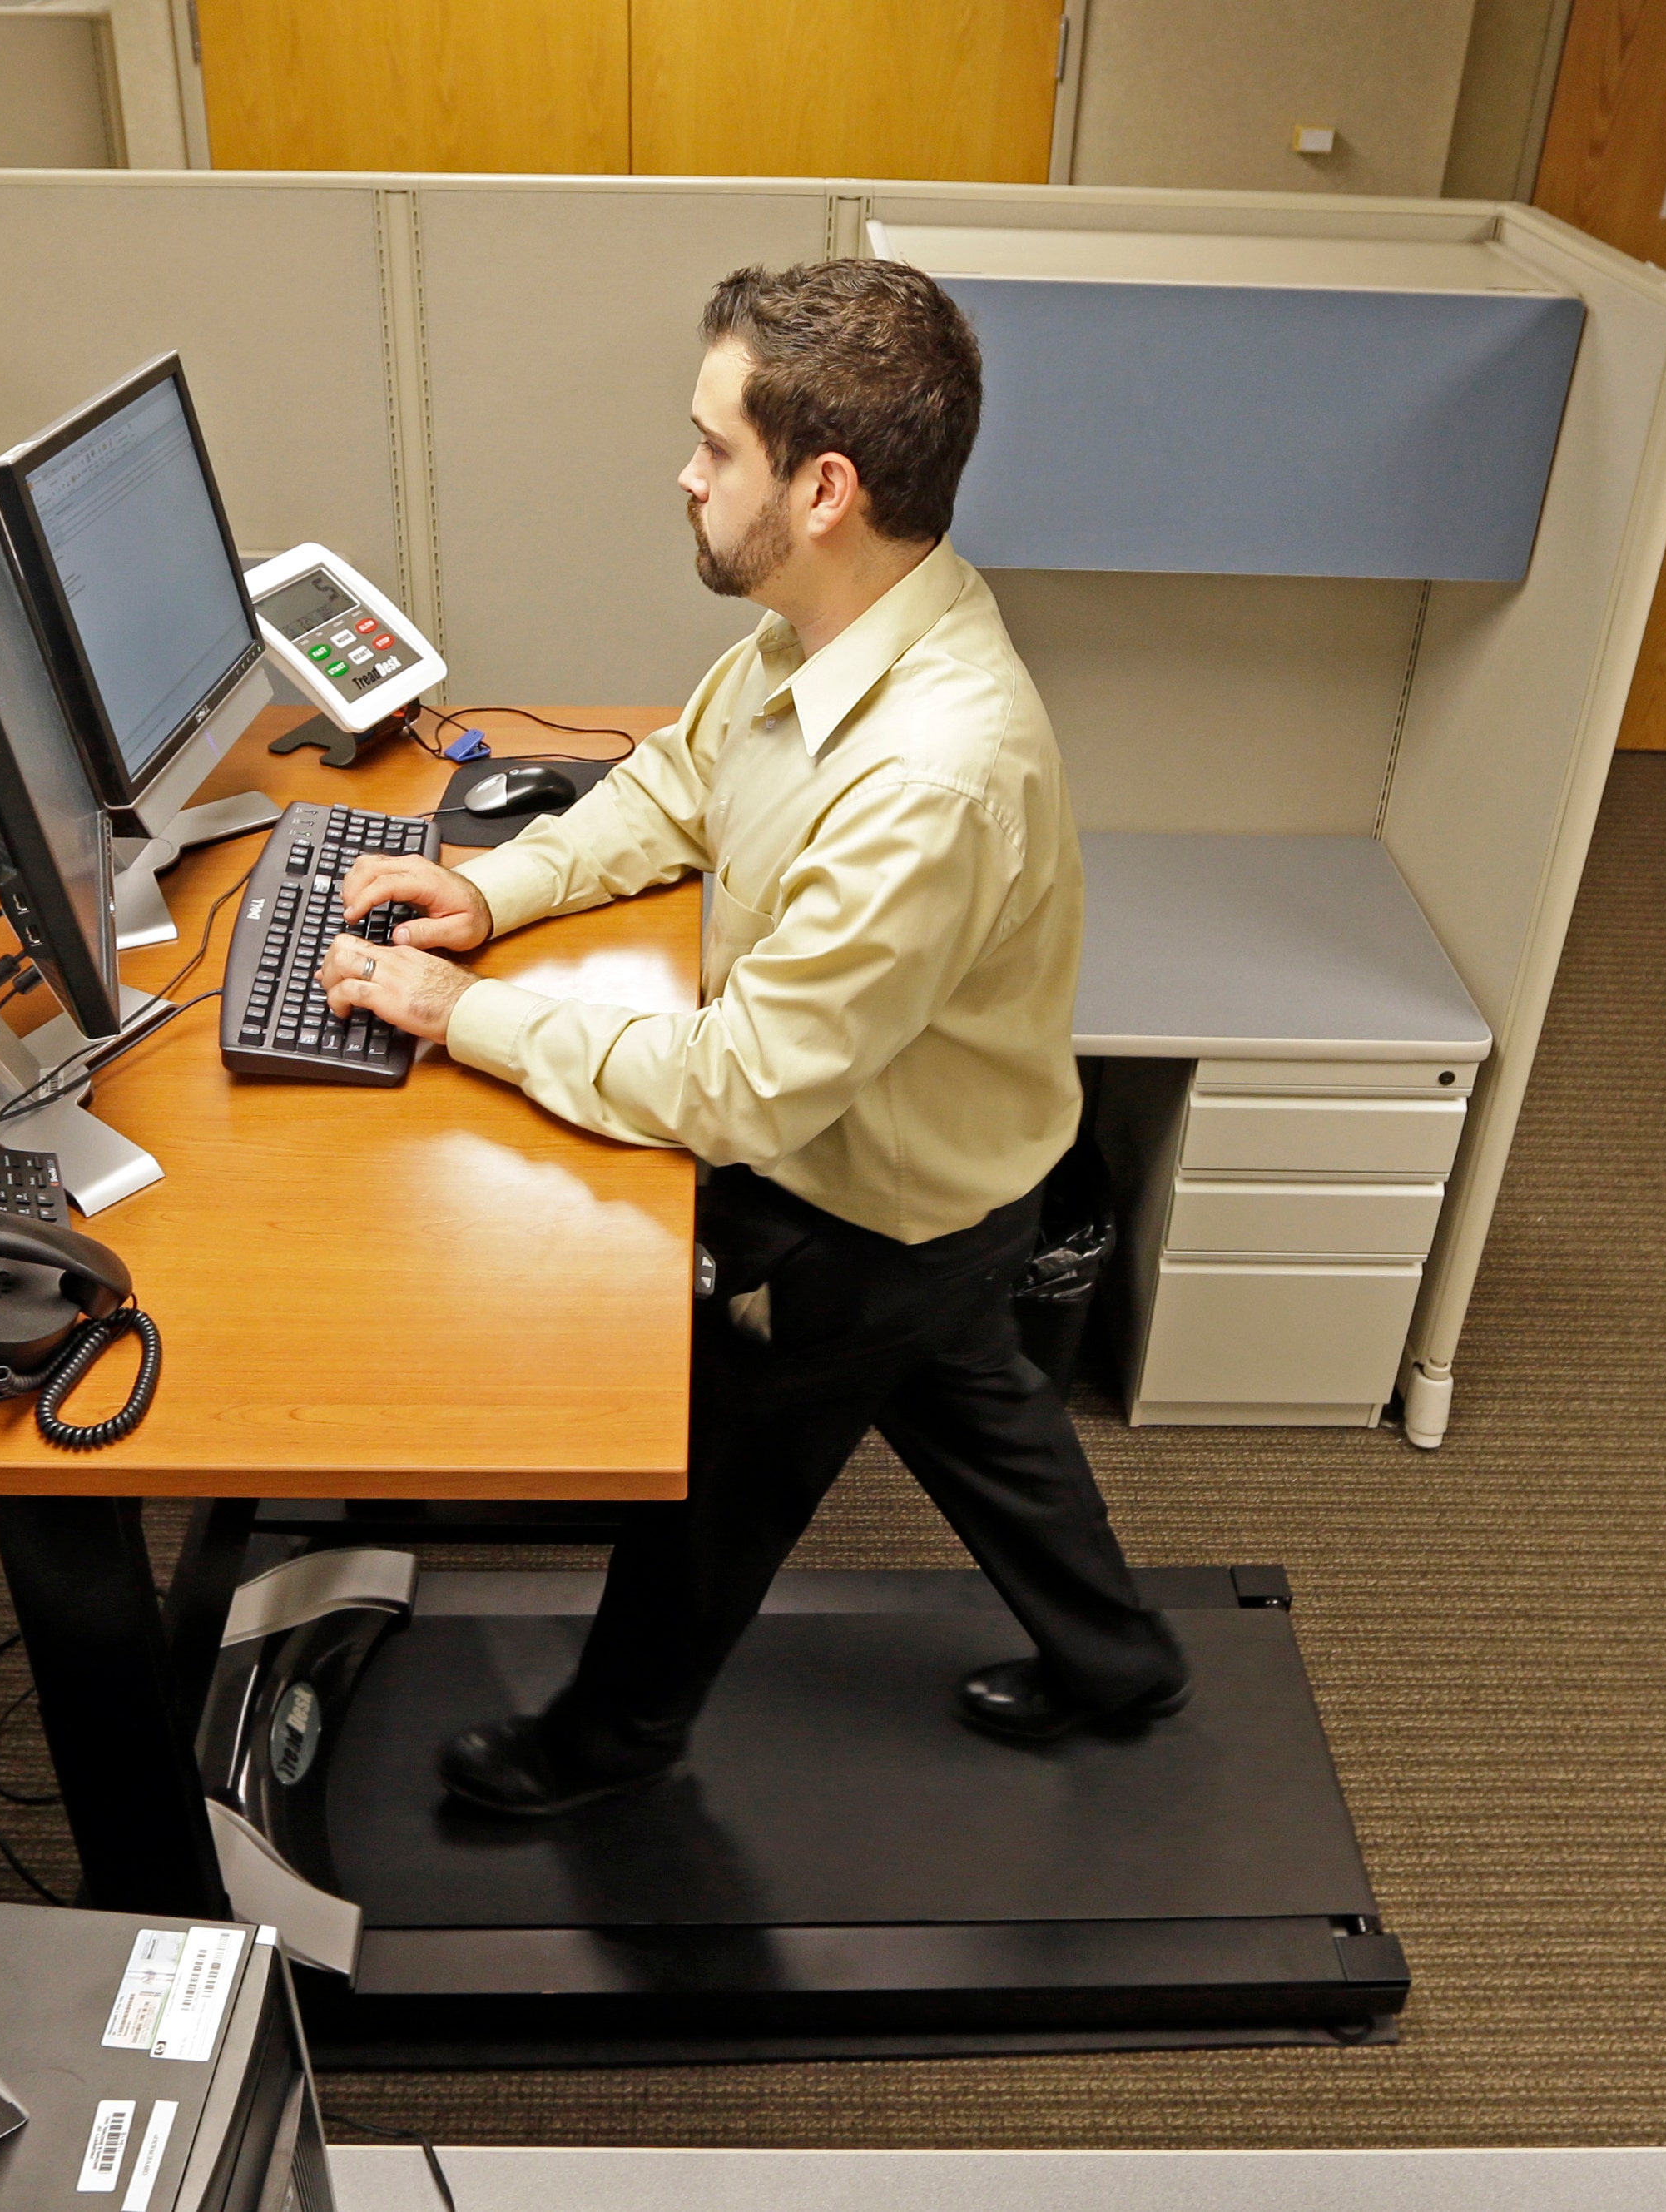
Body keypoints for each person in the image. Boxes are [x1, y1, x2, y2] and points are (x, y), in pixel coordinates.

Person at [311, 259, 1187, 1818]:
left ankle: (610, 1740)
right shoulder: (822, 629)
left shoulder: (931, 770)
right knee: (971, 1397)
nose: (688, 475)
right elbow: (671, 788)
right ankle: (1119, 1659)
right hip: (937, 1163)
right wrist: (488, 891)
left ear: (824, 486)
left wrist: (467, 1018)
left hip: (881, 1198)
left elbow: (739, 1087)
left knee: (723, 1458)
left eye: (718, 448)